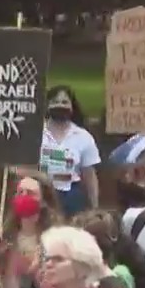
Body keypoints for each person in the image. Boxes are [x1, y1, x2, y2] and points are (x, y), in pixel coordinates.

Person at [38, 86, 99, 216]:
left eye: (65, 102)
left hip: (72, 196)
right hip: (42, 192)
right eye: (55, 102)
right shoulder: (36, 133)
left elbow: (89, 175)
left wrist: (95, 208)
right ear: (47, 105)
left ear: (72, 107)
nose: (60, 105)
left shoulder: (83, 137)